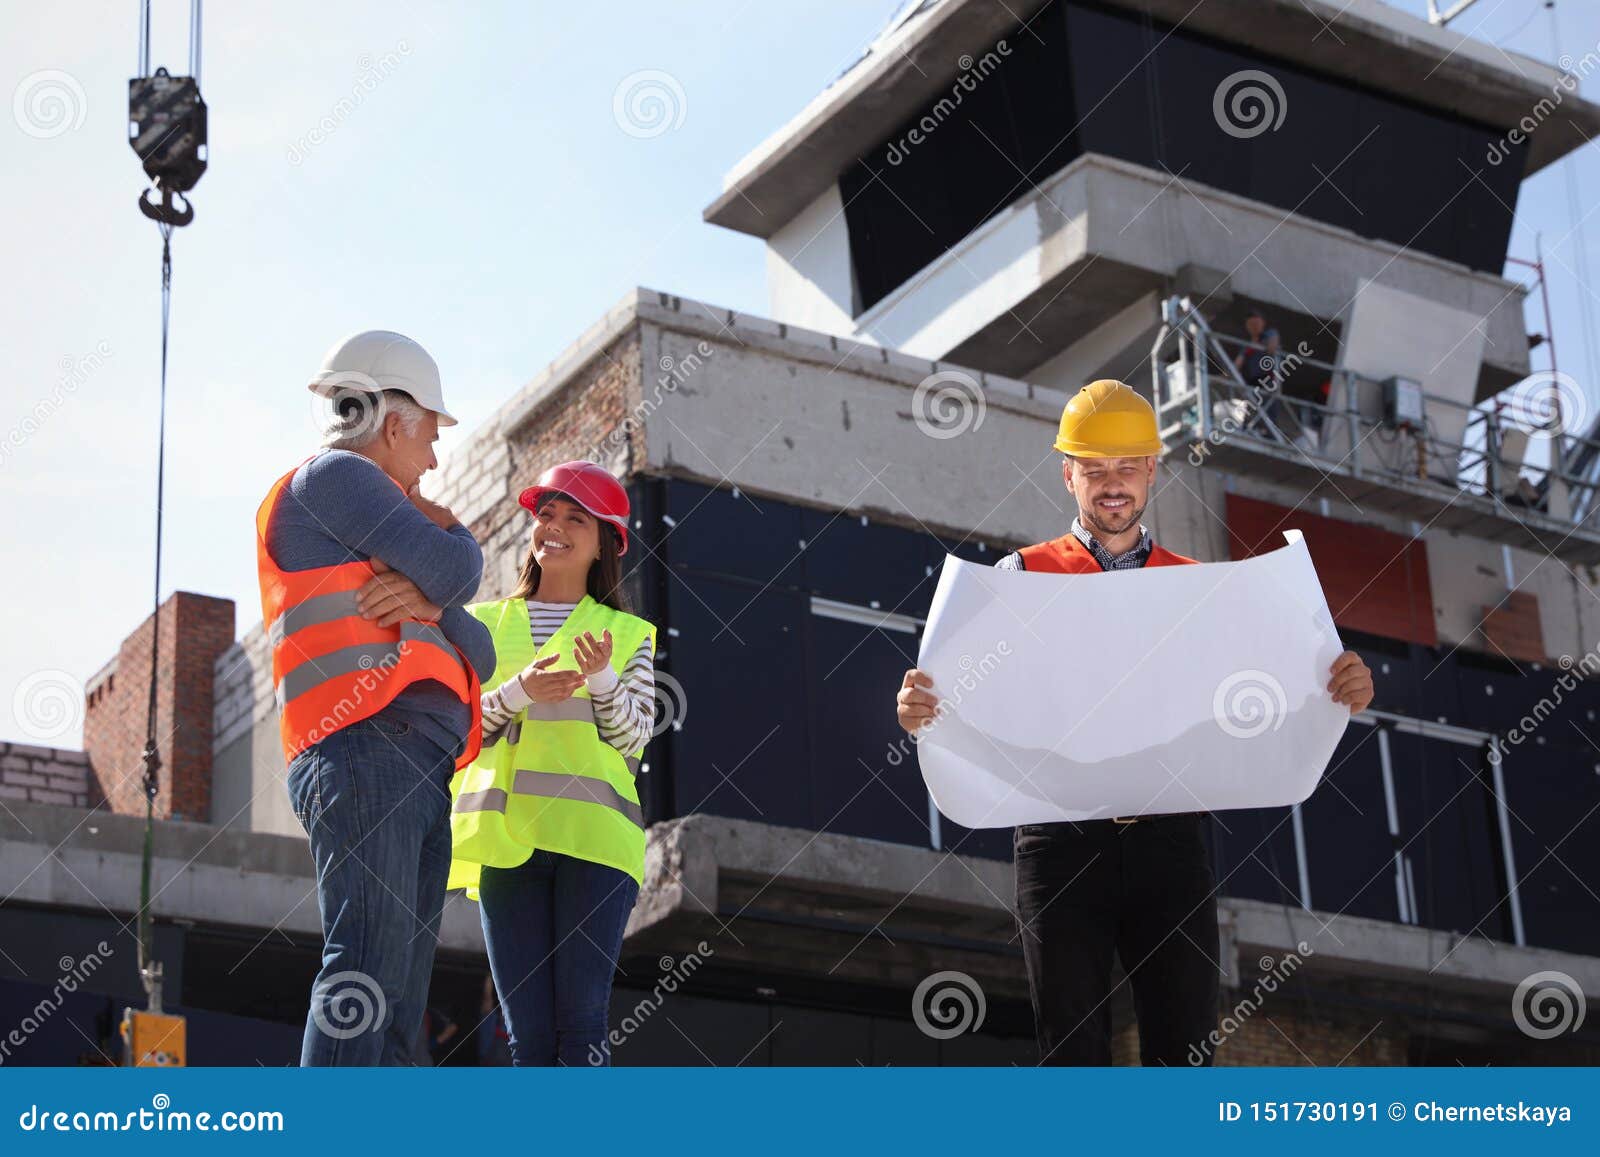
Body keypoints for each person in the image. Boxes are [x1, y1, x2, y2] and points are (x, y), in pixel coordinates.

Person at [893, 379, 1374, 1066]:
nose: (1111, 484)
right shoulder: (1019, 575)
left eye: (1126, 466)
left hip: (1170, 845)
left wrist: (1339, 687)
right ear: (1069, 475)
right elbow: (953, 689)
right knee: (1073, 1058)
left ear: (1152, 468)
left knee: (1184, 1055)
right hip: (1059, 845)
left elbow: (1263, 695)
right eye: (1094, 468)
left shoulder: (1200, 586)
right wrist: (916, 709)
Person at [259, 330, 496, 1066]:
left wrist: (427, 599)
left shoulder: (368, 523)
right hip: (366, 752)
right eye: (430, 434)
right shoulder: (335, 478)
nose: (433, 458)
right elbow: (458, 568)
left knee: (393, 1007)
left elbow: (480, 652)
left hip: (413, 768)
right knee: (363, 979)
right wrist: (443, 570)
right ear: (394, 422)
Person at [446, 460, 658, 1066]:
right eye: (547, 514)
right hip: (506, 842)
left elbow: (632, 740)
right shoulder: (483, 625)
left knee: (581, 1030)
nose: (555, 528)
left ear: (604, 544)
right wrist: (519, 693)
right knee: (528, 1039)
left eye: (575, 519)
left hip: (593, 843)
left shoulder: (628, 633)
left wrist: (604, 679)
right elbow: (455, 733)